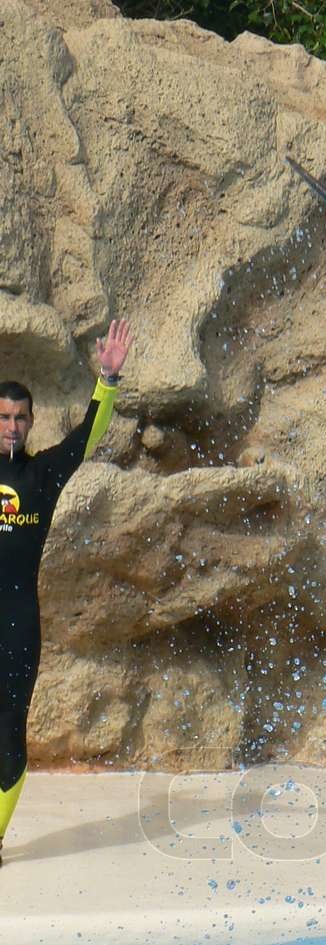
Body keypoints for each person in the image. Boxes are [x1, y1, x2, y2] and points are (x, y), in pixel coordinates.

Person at [0, 319, 132, 862]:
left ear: (31, 422)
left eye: (19, 417)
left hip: (17, 625)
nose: (11, 426)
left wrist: (108, 379)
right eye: (3, 417)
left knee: (9, 733)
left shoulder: (43, 476)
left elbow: (87, 437)